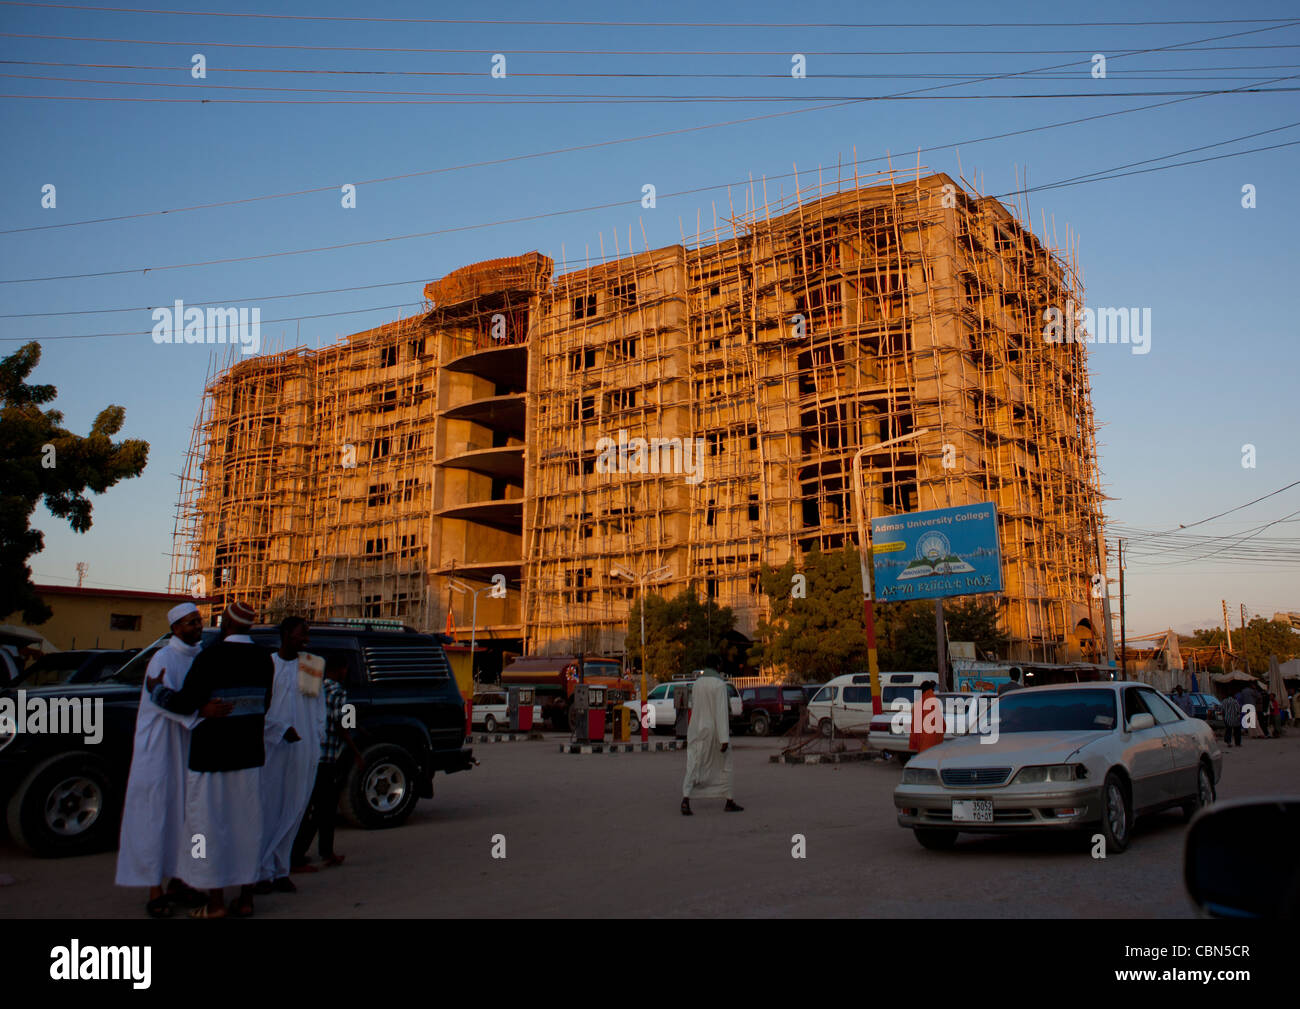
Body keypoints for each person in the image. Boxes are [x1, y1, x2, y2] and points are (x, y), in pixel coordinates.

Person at [150, 601, 273, 918]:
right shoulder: (263, 659)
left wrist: (156, 691)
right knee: (248, 827)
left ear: (224, 625)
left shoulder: (211, 656)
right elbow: (265, 704)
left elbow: (185, 701)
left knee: (205, 829)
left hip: (211, 758)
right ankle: (246, 899)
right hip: (249, 756)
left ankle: (215, 901)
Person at [115, 602, 231, 917]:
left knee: (189, 818)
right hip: (161, 749)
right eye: (190, 623)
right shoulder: (163, 658)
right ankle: (155, 889)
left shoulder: (202, 658)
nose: (196, 627)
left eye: (199, 621)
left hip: (189, 746)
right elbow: (162, 700)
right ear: (175, 628)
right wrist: (201, 711)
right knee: (157, 816)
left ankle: (183, 882)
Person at [255, 617, 326, 895]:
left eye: (307, 635)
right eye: (301, 634)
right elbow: (261, 707)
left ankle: (280, 869)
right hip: (272, 748)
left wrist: (316, 739)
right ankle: (261, 872)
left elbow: (317, 707)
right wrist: (278, 730)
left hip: (303, 749)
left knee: (295, 809)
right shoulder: (267, 665)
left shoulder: (310, 663)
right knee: (268, 809)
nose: (305, 640)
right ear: (285, 634)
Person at [292, 655, 363, 871]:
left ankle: (321, 851)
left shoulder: (317, 689)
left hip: (312, 755)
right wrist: (356, 751)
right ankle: (301, 855)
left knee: (314, 808)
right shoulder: (340, 692)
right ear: (340, 670)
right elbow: (345, 724)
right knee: (324, 809)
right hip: (329, 757)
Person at [681, 667, 742, 815]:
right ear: (718, 666)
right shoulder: (719, 685)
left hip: (697, 729)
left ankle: (686, 799)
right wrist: (724, 738)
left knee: (694, 764)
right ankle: (729, 800)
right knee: (724, 765)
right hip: (715, 731)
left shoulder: (697, 684)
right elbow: (721, 712)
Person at [908, 680, 944, 755]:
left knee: (924, 758)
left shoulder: (920, 702)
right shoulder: (932, 700)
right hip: (933, 738)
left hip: (924, 739)